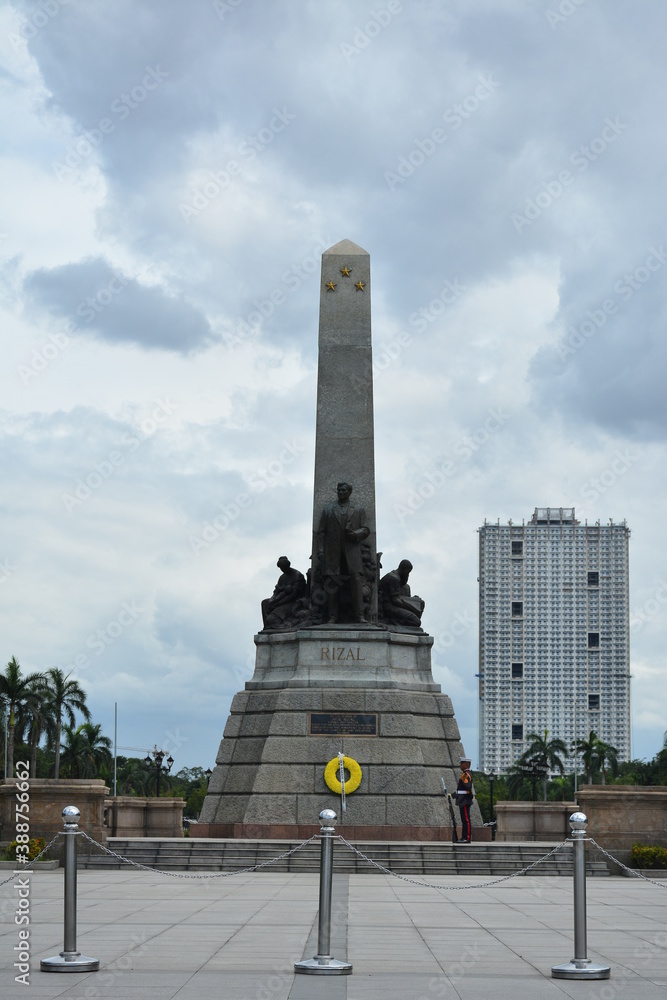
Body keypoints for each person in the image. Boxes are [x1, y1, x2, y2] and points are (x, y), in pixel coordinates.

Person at [316, 482, 370, 623]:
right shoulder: (328, 510)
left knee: (356, 582)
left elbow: (365, 529)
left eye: (343, 490)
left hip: (352, 552)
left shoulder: (358, 509)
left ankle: (360, 616)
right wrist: (321, 550)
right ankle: (333, 616)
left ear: (349, 492)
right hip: (332, 553)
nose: (340, 492)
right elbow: (321, 532)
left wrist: (354, 534)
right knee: (332, 584)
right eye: (339, 490)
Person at [261, 556, 306, 630]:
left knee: (271, 619)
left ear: (288, 566)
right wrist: (272, 600)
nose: (282, 570)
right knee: (265, 603)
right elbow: (276, 592)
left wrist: (277, 603)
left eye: (283, 567)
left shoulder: (297, 575)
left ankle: (274, 624)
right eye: (281, 568)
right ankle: (267, 626)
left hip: (293, 602)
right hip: (281, 599)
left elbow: (293, 595)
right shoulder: (282, 577)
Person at [379, 559, 425, 628]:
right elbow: (396, 601)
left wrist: (413, 600)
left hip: (392, 605)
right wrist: (412, 607)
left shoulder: (396, 577)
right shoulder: (394, 578)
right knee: (416, 621)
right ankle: (388, 621)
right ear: (404, 569)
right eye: (408, 572)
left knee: (420, 603)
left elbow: (402, 588)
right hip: (388, 607)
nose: (408, 574)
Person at [456, 756, 474, 843]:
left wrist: (467, 796)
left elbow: (467, 788)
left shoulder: (466, 775)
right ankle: (464, 837)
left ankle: (466, 837)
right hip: (463, 799)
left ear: (466, 764)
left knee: (466, 819)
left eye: (462, 764)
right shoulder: (464, 774)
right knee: (464, 819)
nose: (460, 765)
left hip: (464, 800)